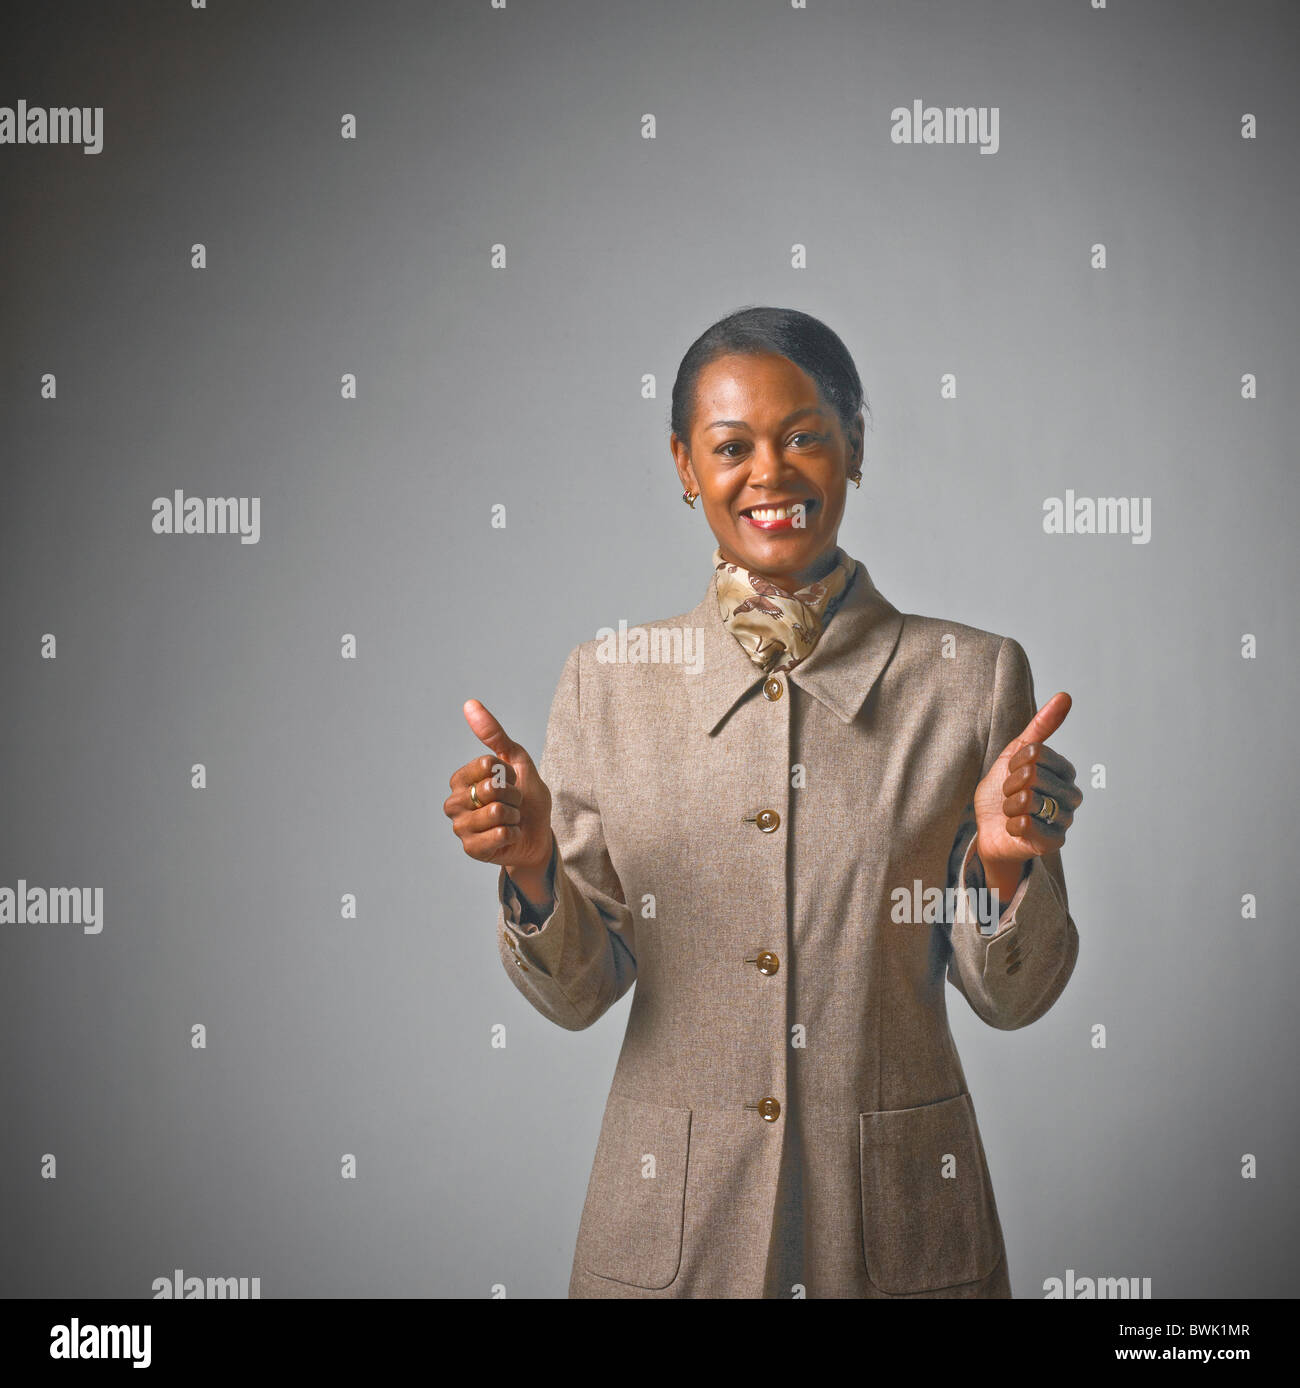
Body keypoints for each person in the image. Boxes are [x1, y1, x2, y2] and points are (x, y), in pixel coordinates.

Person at [444, 306, 1082, 1298]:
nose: (770, 474)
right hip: (673, 1233)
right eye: (731, 446)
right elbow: (577, 993)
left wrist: (1004, 866)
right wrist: (531, 868)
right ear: (683, 465)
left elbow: (1013, 996)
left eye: (803, 437)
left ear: (854, 446)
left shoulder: (969, 679)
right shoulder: (607, 682)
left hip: (894, 1229)